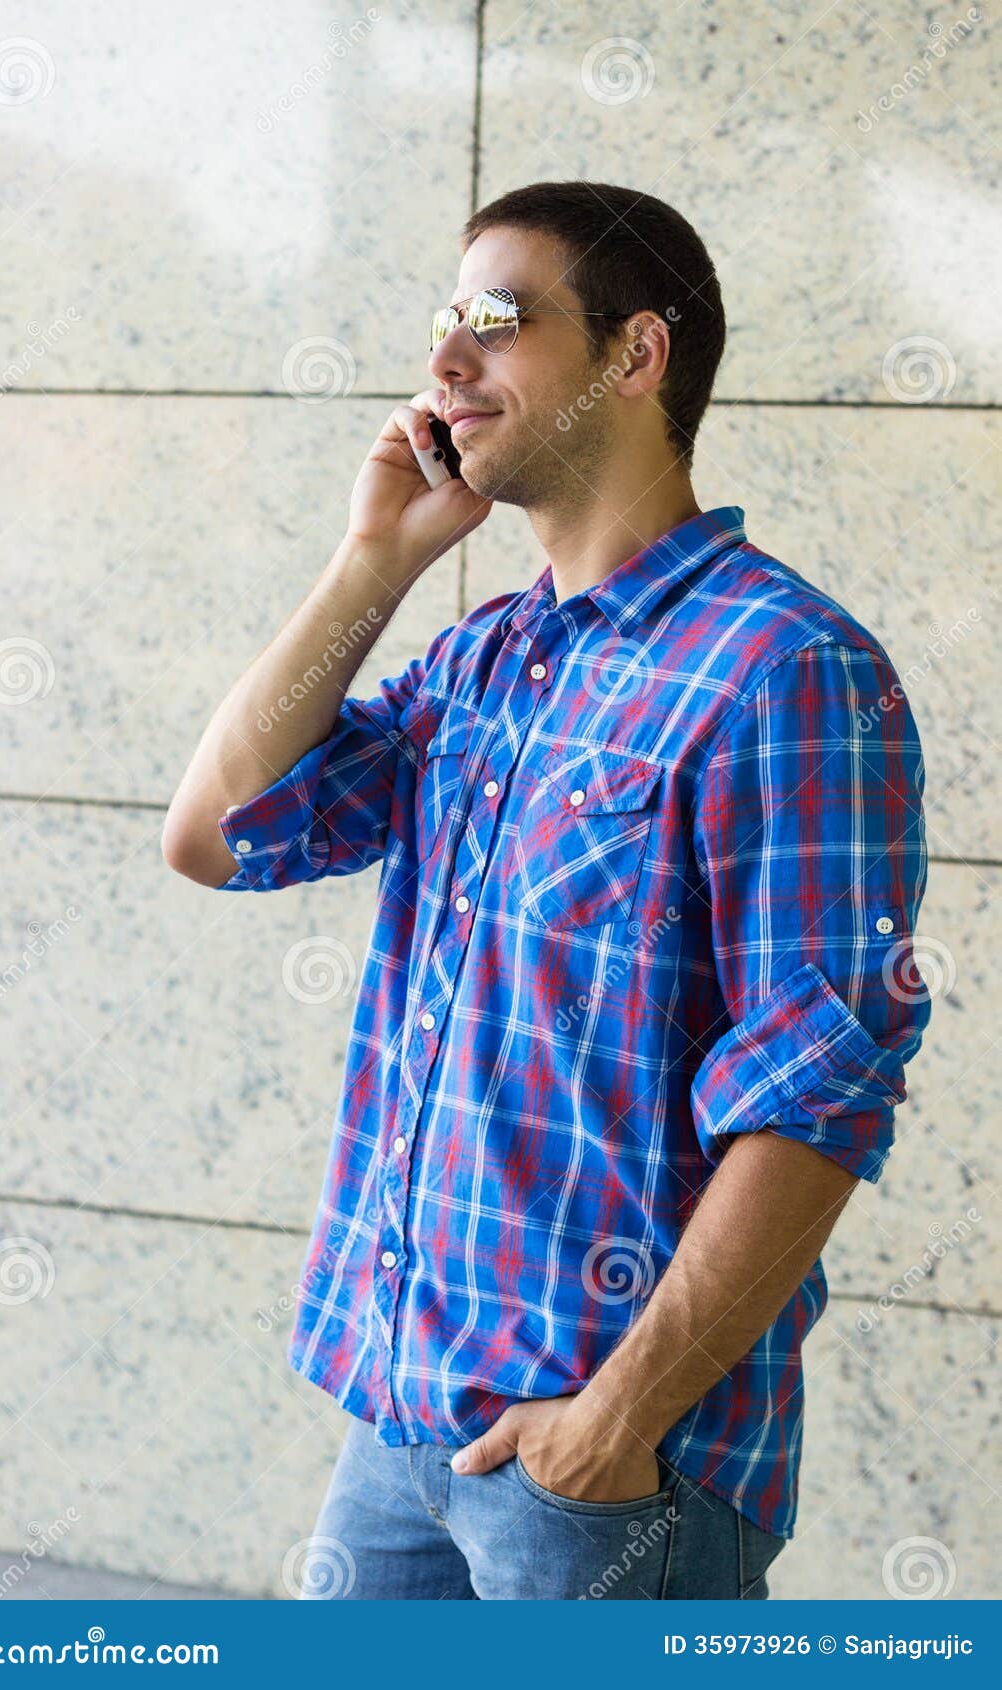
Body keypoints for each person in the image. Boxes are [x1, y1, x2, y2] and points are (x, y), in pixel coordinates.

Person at [162, 180, 932, 1600]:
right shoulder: (486, 659)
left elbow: (817, 1101)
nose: (445, 363)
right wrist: (375, 559)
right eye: (443, 327)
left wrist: (614, 1423)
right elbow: (219, 832)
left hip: (600, 1472)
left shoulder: (787, 669)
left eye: (497, 323)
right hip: (398, 1433)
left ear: (637, 354)